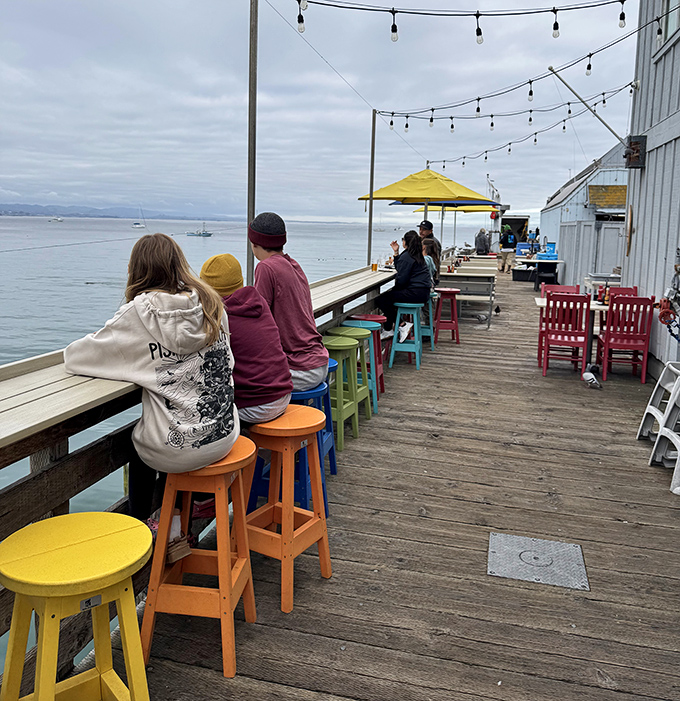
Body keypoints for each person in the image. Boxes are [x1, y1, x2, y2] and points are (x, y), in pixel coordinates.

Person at [64, 233, 239, 520]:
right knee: (165, 433)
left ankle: (143, 526)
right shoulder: (211, 304)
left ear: (136, 270)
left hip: (179, 450)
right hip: (225, 434)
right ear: (179, 265)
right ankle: (185, 513)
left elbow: (75, 357)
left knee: (139, 444)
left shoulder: (137, 314)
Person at [200, 253, 293, 425]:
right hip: (283, 394)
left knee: (203, 410)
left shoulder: (222, 319)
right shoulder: (259, 302)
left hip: (255, 405)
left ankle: (237, 448)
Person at [249, 212, 329, 391]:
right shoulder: (293, 264)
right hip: (319, 360)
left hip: (298, 369)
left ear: (254, 243)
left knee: (239, 379)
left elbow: (258, 318)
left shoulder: (265, 267)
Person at [377, 230, 431, 341]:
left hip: (415, 293)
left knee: (382, 300)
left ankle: (402, 325)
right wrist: (396, 253)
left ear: (405, 242)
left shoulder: (407, 256)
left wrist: (393, 291)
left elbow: (401, 280)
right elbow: (400, 266)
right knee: (389, 299)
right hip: (423, 293)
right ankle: (388, 330)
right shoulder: (415, 254)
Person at [418, 220, 441, 284]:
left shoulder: (432, 242)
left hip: (430, 275)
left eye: (424, 230)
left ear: (430, 231)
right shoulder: (422, 240)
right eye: (420, 229)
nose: (421, 232)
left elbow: (435, 259)